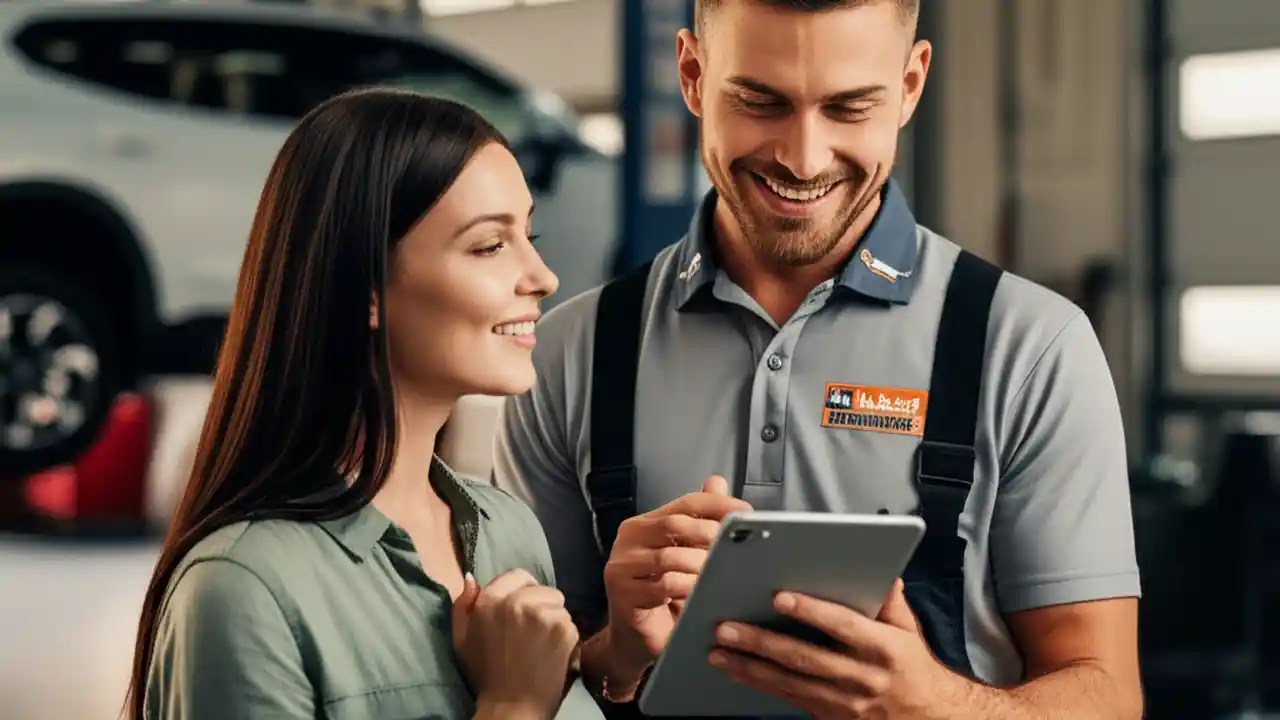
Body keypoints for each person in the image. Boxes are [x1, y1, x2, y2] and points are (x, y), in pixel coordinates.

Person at [493, 1, 1144, 717]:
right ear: (692, 75)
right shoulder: (568, 354)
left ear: (910, 84)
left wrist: (931, 704)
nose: (802, 158)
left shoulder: (1031, 349)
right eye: (760, 102)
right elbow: (515, 682)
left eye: (848, 108)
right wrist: (613, 651)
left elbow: (1108, 696)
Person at [125, 88, 605, 720]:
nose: (543, 276)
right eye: (490, 245)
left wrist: (617, 654)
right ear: (366, 290)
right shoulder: (242, 589)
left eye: (529, 234)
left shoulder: (509, 532)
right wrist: (513, 706)